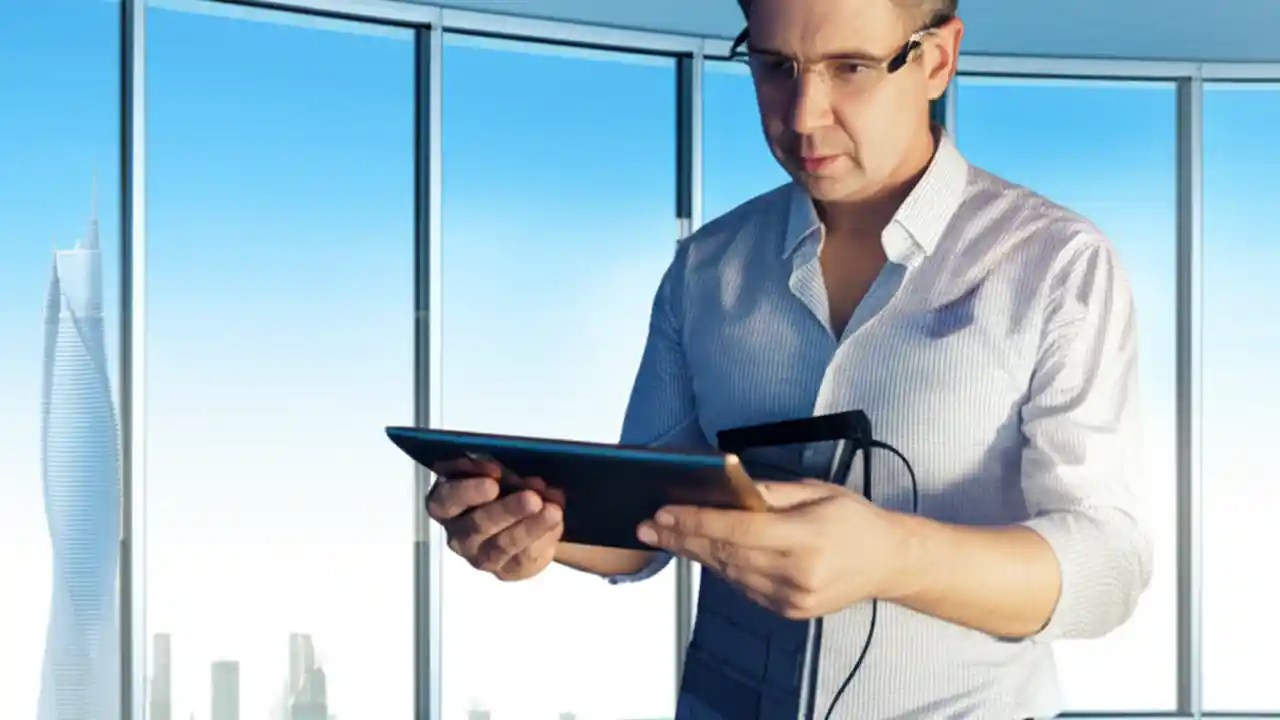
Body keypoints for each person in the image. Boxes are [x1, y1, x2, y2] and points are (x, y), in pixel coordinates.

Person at [424, 0, 1153, 717]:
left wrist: (891, 557)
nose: (803, 114)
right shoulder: (705, 268)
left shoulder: (1054, 263)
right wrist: (537, 530)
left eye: (851, 67)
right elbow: (649, 520)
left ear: (936, 59)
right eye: (776, 66)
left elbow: (1108, 564)